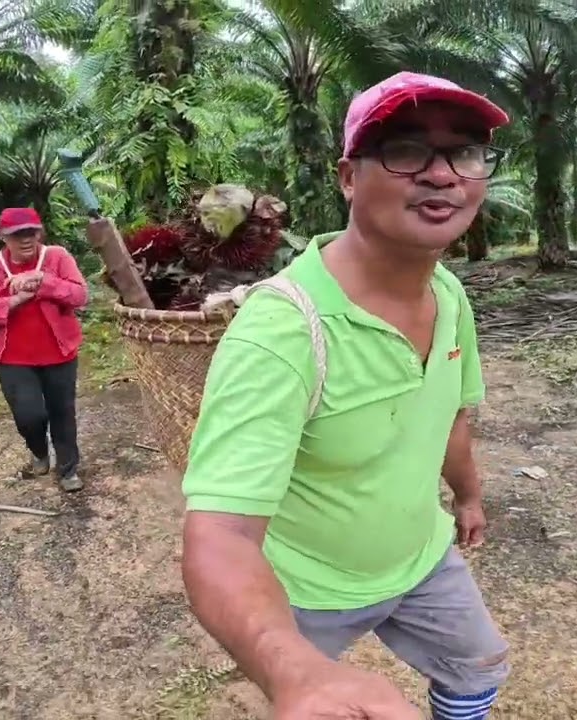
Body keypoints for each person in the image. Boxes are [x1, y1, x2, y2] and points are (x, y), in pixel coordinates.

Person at [180, 72, 511, 719]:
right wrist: (297, 672)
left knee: (478, 672)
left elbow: (451, 413)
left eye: (465, 152)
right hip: (307, 589)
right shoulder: (284, 331)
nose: (442, 174)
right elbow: (219, 534)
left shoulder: (448, 295)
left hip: (420, 560)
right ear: (348, 177)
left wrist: (467, 496)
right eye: (407, 149)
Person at [0, 207, 89, 493]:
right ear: (2, 237)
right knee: (28, 415)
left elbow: (80, 295)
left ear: (39, 231)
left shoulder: (57, 257)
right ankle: (39, 451)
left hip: (59, 352)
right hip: (12, 357)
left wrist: (44, 281)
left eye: (31, 232)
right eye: (16, 234)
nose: (26, 239)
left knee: (62, 412)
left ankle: (68, 469)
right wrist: (14, 300)